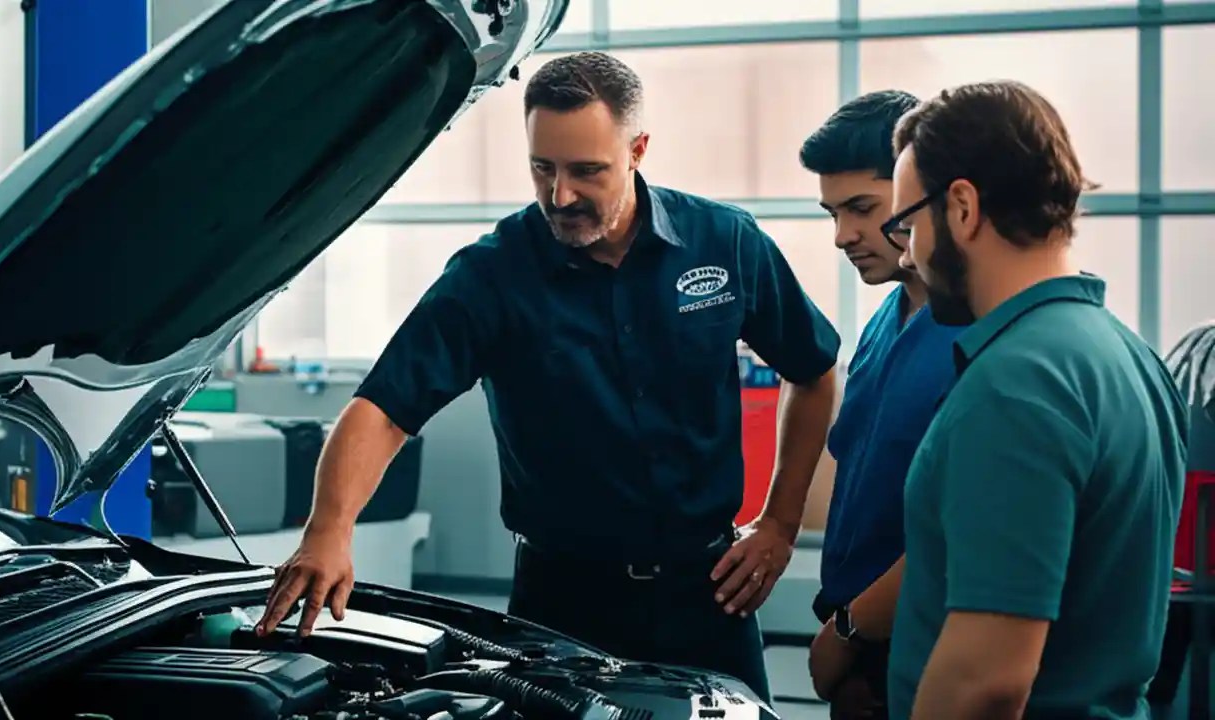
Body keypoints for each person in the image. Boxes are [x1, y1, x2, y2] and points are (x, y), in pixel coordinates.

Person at [255, 51, 841, 702]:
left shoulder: (726, 243)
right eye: (543, 168)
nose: (561, 195)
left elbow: (813, 371)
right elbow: (385, 409)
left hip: (709, 591)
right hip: (561, 601)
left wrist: (781, 523)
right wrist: (328, 531)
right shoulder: (491, 275)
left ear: (637, 149)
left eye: (587, 171)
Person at [884, 80, 1189, 720]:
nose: (908, 253)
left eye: (907, 224)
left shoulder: (1015, 385)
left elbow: (985, 680)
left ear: (962, 208)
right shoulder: (1127, 354)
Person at [795, 90, 964, 720]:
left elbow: (961, 537)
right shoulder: (882, 323)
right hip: (859, 658)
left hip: (923, 654)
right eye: (831, 213)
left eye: (862, 209)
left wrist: (850, 631)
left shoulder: (982, 342)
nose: (842, 236)